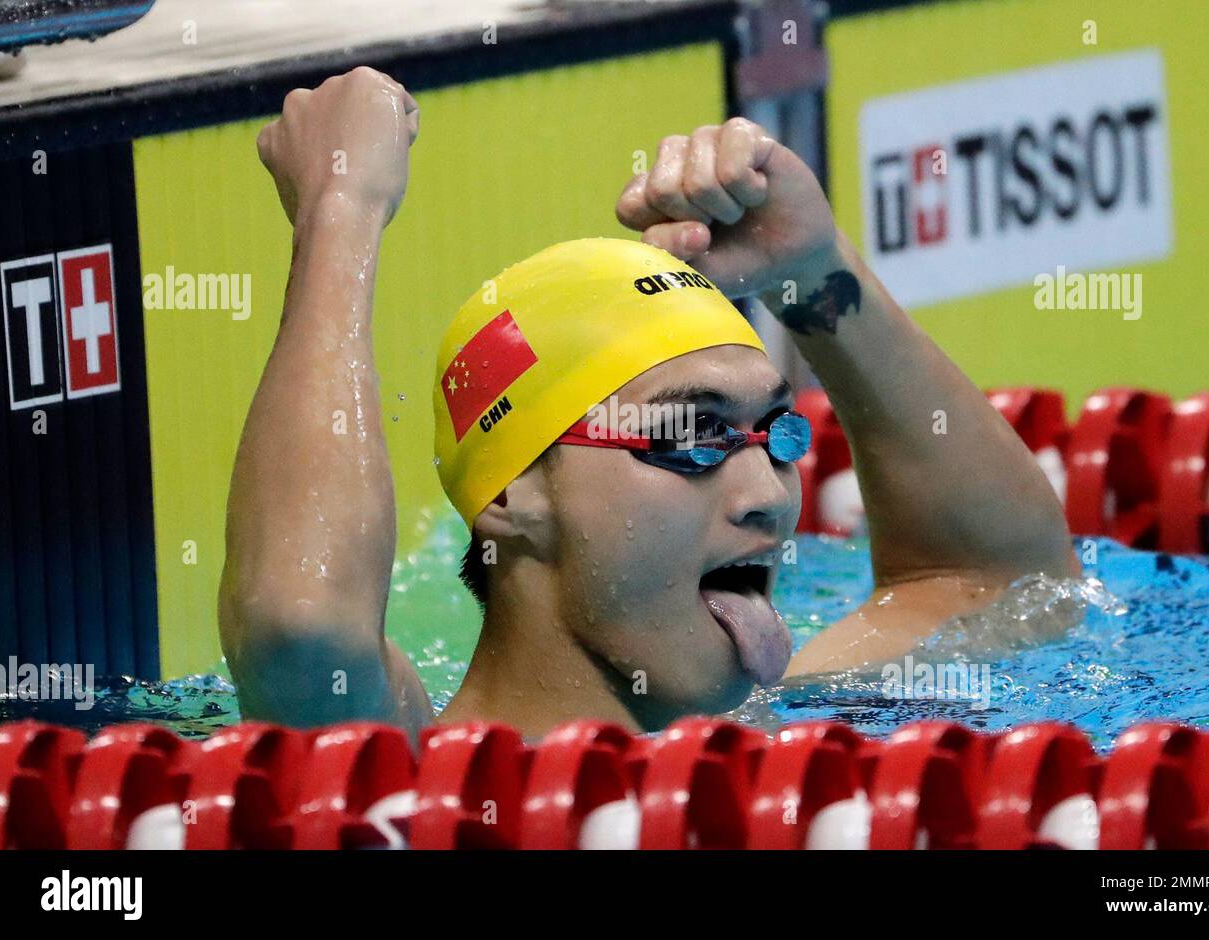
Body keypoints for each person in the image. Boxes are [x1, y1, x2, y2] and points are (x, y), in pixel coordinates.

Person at [219, 67, 1077, 739]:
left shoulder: (799, 736)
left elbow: (1001, 581)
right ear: (516, 493)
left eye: (775, 434)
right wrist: (341, 208)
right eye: (691, 435)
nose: (771, 496)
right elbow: (300, 629)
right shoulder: (410, 781)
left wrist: (815, 274)